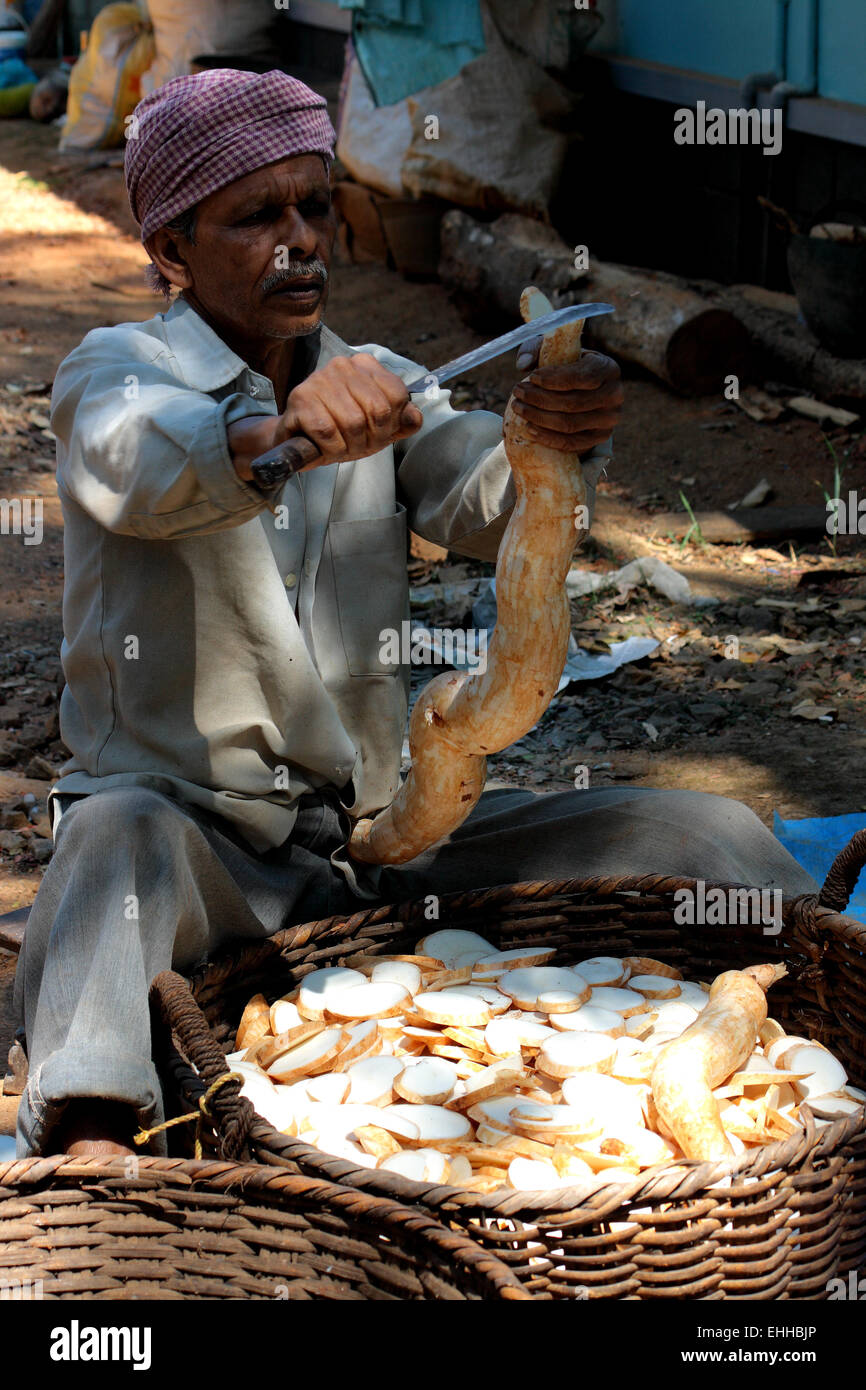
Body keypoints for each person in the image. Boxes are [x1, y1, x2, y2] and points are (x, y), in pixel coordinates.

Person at [14, 68, 816, 1159]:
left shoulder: (378, 378)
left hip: (384, 842)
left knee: (705, 832)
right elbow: (139, 464)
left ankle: (817, 1007)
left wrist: (545, 441)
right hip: (204, 857)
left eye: (312, 204)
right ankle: (96, 1153)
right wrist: (281, 435)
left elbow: (485, 496)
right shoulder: (114, 373)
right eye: (255, 216)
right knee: (108, 840)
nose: (299, 239)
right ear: (169, 250)